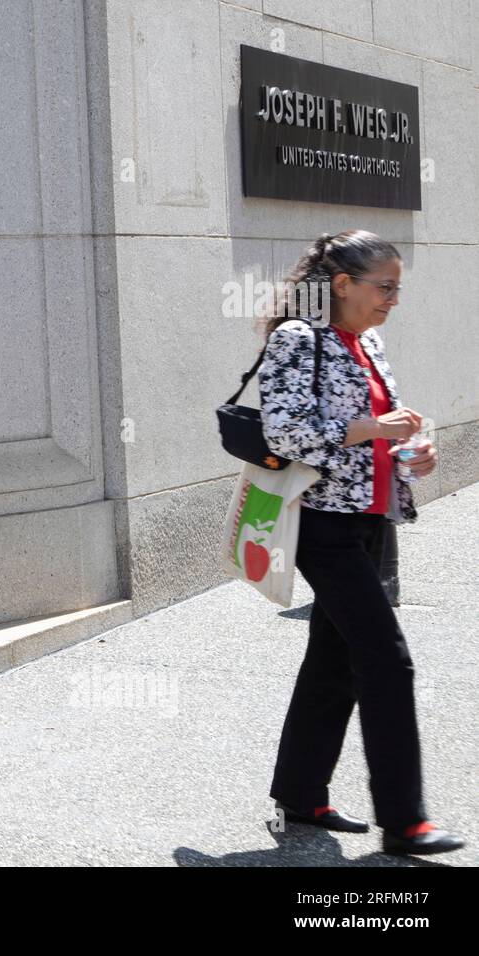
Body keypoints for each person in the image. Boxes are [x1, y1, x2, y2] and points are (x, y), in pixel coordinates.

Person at [258, 230, 464, 856]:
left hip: (370, 517)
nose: (393, 300)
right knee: (386, 659)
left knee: (335, 658)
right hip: (322, 521)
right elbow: (285, 432)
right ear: (342, 285)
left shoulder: (367, 340)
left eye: (398, 288)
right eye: (385, 287)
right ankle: (405, 821)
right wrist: (372, 427)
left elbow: (384, 426)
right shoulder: (299, 339)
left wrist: (412, 451)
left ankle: (300, 793)